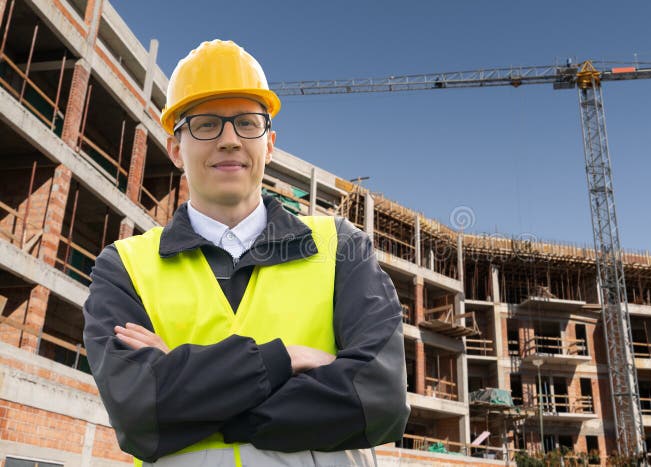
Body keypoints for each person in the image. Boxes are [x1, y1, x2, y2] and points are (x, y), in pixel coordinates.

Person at [83, 39, 410, 467]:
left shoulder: (341, 246)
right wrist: (285, 359)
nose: (230, 141)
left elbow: (379, 399)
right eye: (205, 124)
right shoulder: (123, 265)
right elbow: (140, 411)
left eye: (247, 123)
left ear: (269, 143)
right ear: (175, 148)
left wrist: (190, 392)